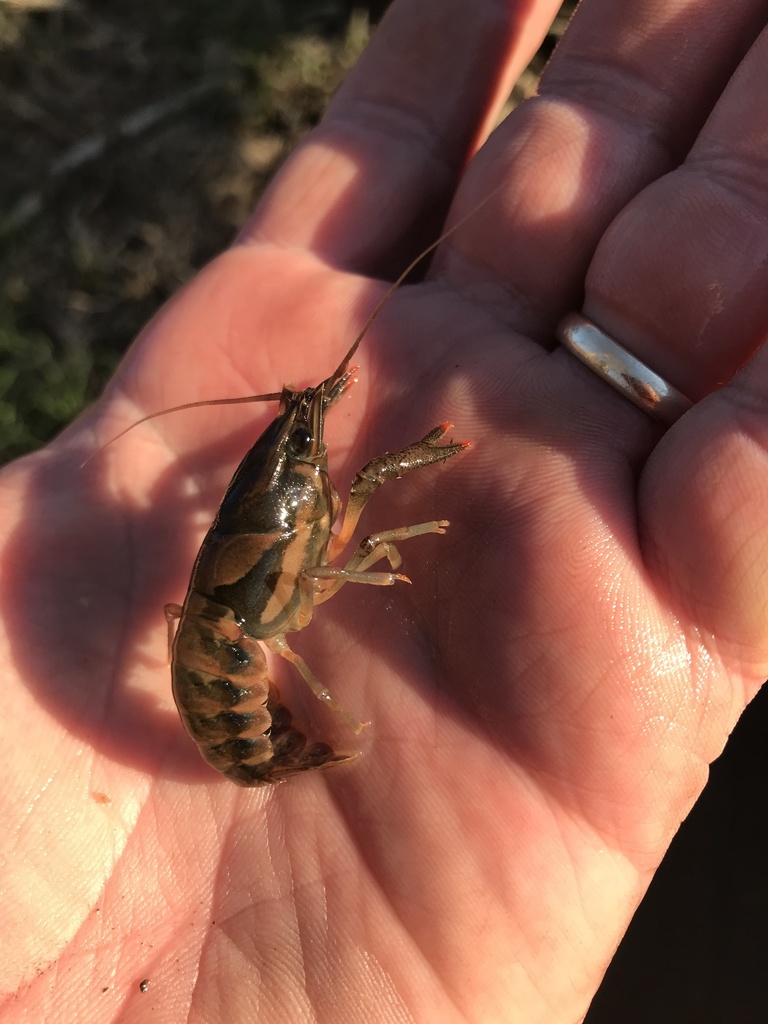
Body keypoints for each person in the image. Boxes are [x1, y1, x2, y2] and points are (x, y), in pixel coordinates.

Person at [2, 0, 768, 1019]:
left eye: (298, 439)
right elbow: (331, 528)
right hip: (231, 711)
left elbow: (301, 527)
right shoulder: (281, 544)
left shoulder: (271, 516)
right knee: (356, 514)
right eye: (298, 441)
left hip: (225, 657)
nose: (307, 439)